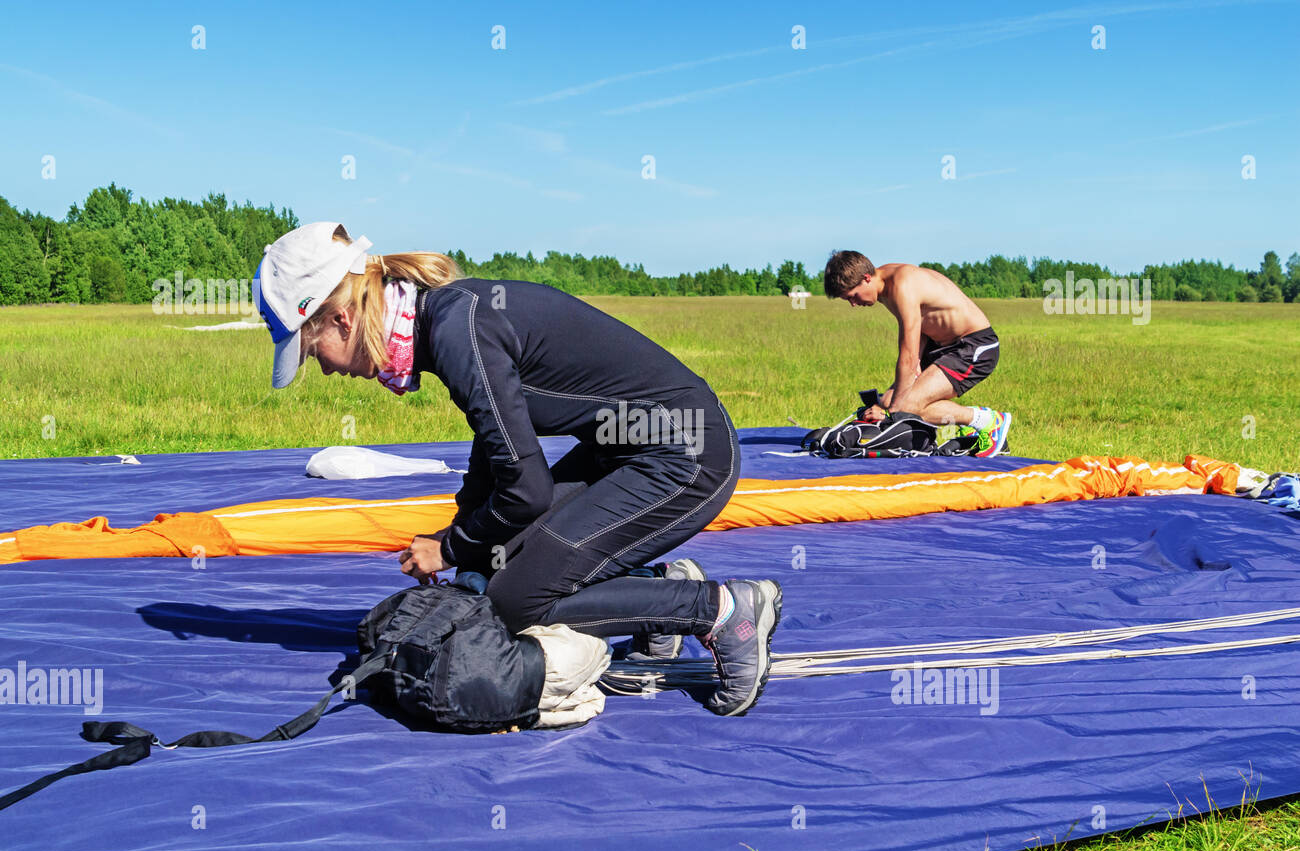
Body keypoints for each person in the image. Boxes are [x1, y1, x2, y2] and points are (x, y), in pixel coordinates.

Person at [252, 222, 781, 716]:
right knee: (501, 569)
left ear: (341, 319)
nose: (322, 367)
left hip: (686, 456)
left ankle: (722, 610)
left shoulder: (459, 333)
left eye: (311, 350)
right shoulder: (447, 319)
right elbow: (496, 456)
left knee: (514, 601)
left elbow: (525, 490)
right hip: (631, 451)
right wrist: (460, 541)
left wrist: (453, 547)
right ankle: (656, 589)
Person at [823, 250, 1012, 457]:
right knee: (886, 401)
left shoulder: (902, 286)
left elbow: (908, 356)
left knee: (906, 409)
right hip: (941, 345)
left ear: (866, 278)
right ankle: (966, 425)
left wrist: (892, 415)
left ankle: (989, 421)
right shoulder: (884, 284)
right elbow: (920, 330)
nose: (853, 304)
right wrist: (891, 404)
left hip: (973, 345)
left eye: (852, 296)